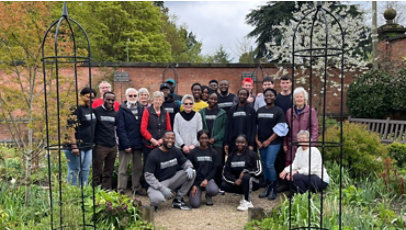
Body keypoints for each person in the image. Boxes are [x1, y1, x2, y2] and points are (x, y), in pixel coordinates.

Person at [144, 131, 196, 210]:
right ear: (162, 139)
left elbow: (185, 162)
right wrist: (162, 188)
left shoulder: (175, 150)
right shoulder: (153, 155)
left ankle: (178, 200)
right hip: (158, 184)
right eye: (167, 138)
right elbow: (148, 176)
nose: (170, 140)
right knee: (157, 200)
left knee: (192, 172)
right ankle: (156, 199)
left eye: (172, 138)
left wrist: (189, 167)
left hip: (172, 180)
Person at [255, 88, 289, 200]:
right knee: (264, 165)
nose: (269, 97)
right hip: (261, 143)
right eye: (267, 95)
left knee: (270, 164)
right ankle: (268, 188)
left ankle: (274, 188)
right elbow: (255, 127)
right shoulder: (259, 110)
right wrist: (257, 140)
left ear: (275, 97)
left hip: (273, 143)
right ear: (263, 97)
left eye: (271, 95)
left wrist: (268, 141)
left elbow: (280, 128)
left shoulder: (278, 111)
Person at [116, 88, 146, 195]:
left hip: (138, 143)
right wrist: (126, 144)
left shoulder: (142, 108)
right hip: (126, 144)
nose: (133, 98)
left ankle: (136, 187)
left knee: (137, 167)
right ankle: (121, 189)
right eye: (130, 96)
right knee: (123, 168)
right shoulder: (122, 109)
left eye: (134, 96)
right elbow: (121, 128)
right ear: (126, 97)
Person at [279, 130, 329, 194]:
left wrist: (296, 172)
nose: (303, 140)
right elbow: (295, 164)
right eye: (300, 138)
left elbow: (312, 170)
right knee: (288, 174)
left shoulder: (314, 151)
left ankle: (302, 195)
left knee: (296, 176)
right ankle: (295, 194)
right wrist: (285, 171)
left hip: (320, 179)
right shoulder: (299, 150)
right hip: (309, 177)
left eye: (305, 138)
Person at [65, 87, 97, 186]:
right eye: (88, 97)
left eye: (93, 98)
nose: (91, 100)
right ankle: (72, 192)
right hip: (76, 146)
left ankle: (83, 191)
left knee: (85, 170)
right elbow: (71, 129)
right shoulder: (75, 109)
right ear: (81, 96)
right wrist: (74, 146)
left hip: (88, 146)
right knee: (74, 170)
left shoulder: (90, 109)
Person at [221, 135, 262, 211]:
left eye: (242, 142)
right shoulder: (231, 155)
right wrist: (234, 181)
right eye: (238, 142)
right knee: (224, 185)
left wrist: (245, 171)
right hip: (238, 183)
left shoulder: (252, 154)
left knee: (246, 177)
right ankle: (244, 194)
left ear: (246, 144)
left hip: (253, 181)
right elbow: (225, 172)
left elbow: (259, 170)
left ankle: (247, 201)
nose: (240, 144)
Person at [284, 87, 319, 166]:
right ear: (294, 99)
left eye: (301, 97)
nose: (299, 99)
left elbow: (314, 128)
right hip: (292, 144)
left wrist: (312, 144)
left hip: (305, 143)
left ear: (305, 98)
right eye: (297, 97)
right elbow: (286, 129)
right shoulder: (289, 112)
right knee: (291, 166)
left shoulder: (310, 111)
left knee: (305, 165)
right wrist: (285, 143)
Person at [200, 92, 227, 187]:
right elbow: (200, 127)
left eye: (215, 99)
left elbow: (224, 129)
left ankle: (218, 185)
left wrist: (215, 139)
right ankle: (206, 183)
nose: (213, 101)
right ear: (208, 99)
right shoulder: (202, 112)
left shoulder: (222, 113)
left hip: (217, 143)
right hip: (204, 143)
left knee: (218, 164)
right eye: (211, 98)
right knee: (206, 163)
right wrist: (204, 139)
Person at [92, 91, 118, 190]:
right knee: (97, 170)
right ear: (103, 99)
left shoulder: (115, 114)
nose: (111, 102)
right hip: (100, 146)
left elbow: (116, 128)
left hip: (112, 146)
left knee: (109, 170)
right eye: (108, 99)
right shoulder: (96, 111)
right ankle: (96, 190)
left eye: (112, 100)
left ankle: (106, 189)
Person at [188, 130, 220, 208]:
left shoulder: (213, 152)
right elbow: (191, 169)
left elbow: (214, 169)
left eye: (206, 138)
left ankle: (208, 195)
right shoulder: (193, 152)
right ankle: (193, 192)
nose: (204, 140)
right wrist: (194, 185)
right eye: (202, 138)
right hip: (196, 180)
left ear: (209, 139)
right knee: (195, 204)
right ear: (198, 139)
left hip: (208, 180)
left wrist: (207, 179)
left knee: (214, 190)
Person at [140, 91, 172, 163]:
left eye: (160, 99)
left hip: (162, 145)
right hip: (149, 145)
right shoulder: (147, 111)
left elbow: (168, 129)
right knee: (148, 165)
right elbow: (143, 129)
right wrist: (152, 139)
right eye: (156, 99)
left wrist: (162, 139)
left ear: (162, 101)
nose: (158, 101)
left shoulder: (165, 112)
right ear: (152, 100)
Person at [224, 88, 256, 155]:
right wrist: (226, 143)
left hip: (247, 143)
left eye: (244, 95)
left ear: (247, 96)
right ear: (237, 96)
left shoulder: (251, 110)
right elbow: (228, 127)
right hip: (233, 142)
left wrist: (251, 144)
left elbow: (253, 128)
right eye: (240, 94)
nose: (242, 96)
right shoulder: (232, 110)